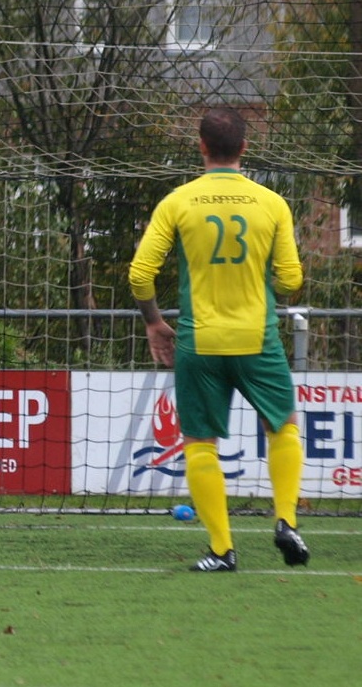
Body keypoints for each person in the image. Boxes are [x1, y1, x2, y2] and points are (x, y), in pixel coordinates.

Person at [129, 107, 309, 572]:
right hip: (258, 338)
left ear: (202, 147)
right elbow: (290, 278)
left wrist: (153, 322)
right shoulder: (272, 203)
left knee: (200, 443)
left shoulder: (179, 201)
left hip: (200, 341)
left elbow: (140, 273)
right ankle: (286, 520)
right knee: (284, 426)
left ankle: (222, 550)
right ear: (245, 149)